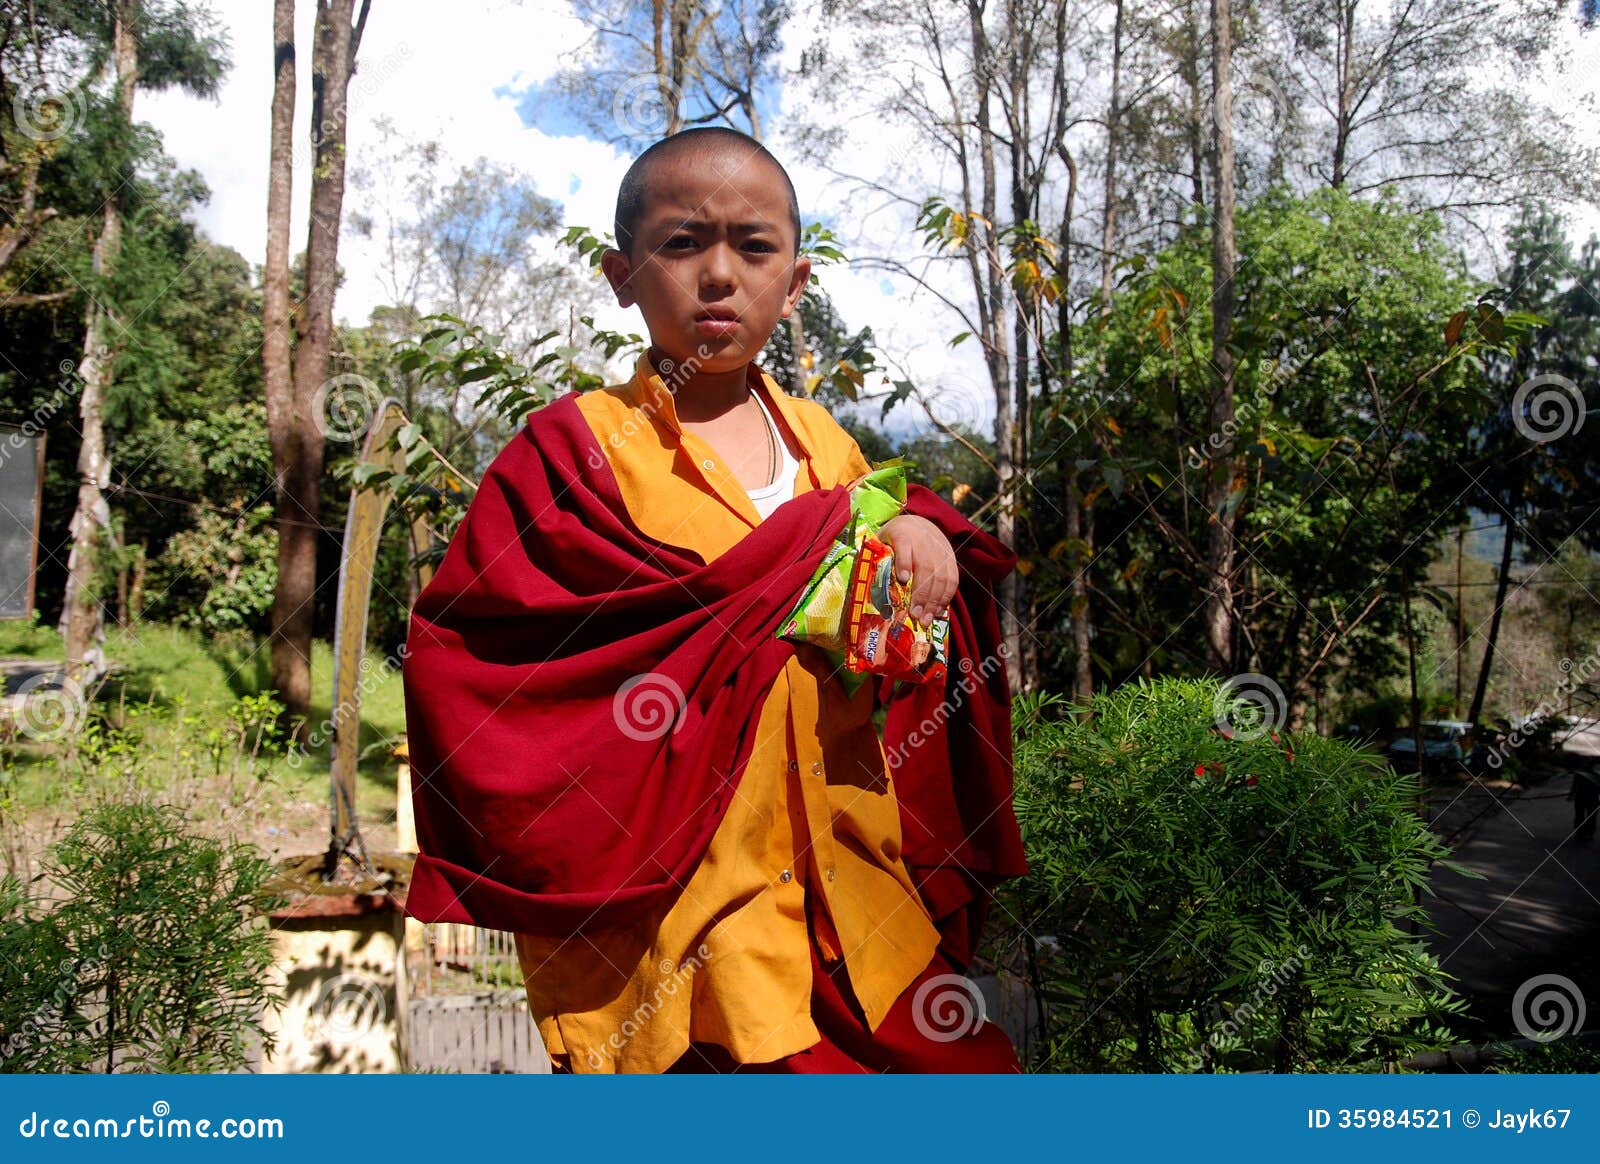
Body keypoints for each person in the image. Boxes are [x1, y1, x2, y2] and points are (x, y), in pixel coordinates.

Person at [400, 127, 1028, 1073]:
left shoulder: (829, 447)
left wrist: (920, 534)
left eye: (754, 245)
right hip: (683, 914)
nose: (720, 274)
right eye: (682, 244)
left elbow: (894, 609)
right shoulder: (573, 453)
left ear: (796, 281)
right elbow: (476, 658)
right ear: (621, 274)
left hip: (853, 881)